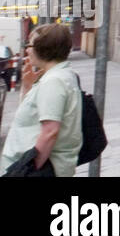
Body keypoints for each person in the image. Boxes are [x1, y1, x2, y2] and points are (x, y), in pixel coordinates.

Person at [0, 23, 83, 177]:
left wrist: (28, 170)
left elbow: (50, 131)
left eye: (30, 45)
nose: (27, 50)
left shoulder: (54, 81)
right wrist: (27, 87)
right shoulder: (60, 76)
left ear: (44, 47)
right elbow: (33, 117)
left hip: (38, 169)